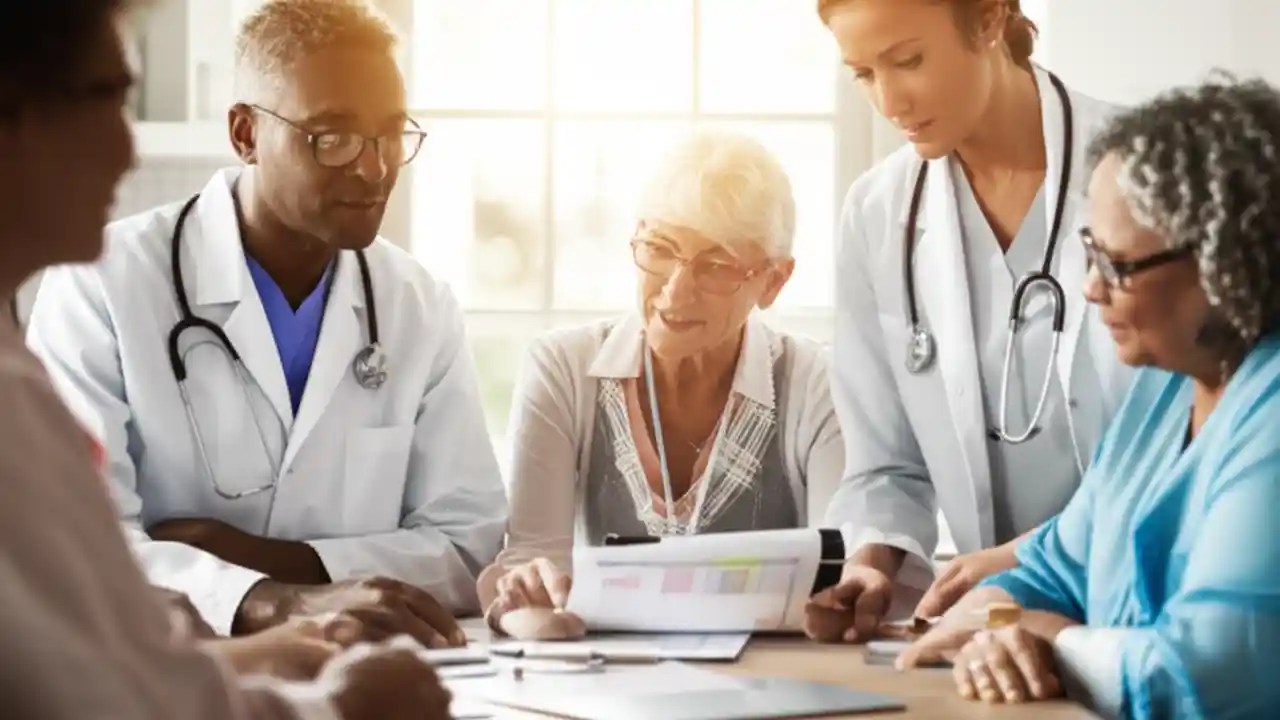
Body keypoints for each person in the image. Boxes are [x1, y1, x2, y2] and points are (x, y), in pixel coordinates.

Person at [0, 2, 450, 718]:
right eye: (331, 136)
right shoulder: (91, 299)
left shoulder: (417, 299)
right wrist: (307, 664)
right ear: (246, 132)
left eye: (391, 134)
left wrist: (250, 562)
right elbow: (91, 669)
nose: (373, 167)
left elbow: (467, 538)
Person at [898, 77, 1280, 719]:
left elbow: (1206, 679)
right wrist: (1002, 633)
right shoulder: (1165, 387)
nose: (1091, 290)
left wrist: (1049, 637)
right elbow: (1051, 572)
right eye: (1088, 252)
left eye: (1118, 265)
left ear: (1227, 265)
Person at [805, 0, 1134, 642]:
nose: (890, 102)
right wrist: (873, 563)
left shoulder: (1142, 169)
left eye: (909, 60)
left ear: (989, 18)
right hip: (993, 629)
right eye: (865, 75)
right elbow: (884, 464)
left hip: (1142, 600)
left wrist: (1031, 560)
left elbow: (1189, 447)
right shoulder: (879, 213)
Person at [477, 131, 846, 623]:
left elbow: (839, 575)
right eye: (660, 248)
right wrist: (527, 600)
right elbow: (535, 562)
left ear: (773, 281)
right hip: (607, 678)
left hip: (774, 673)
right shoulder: (563, 368)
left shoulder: (817, 382)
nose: (676, 289)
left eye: (716, 265)